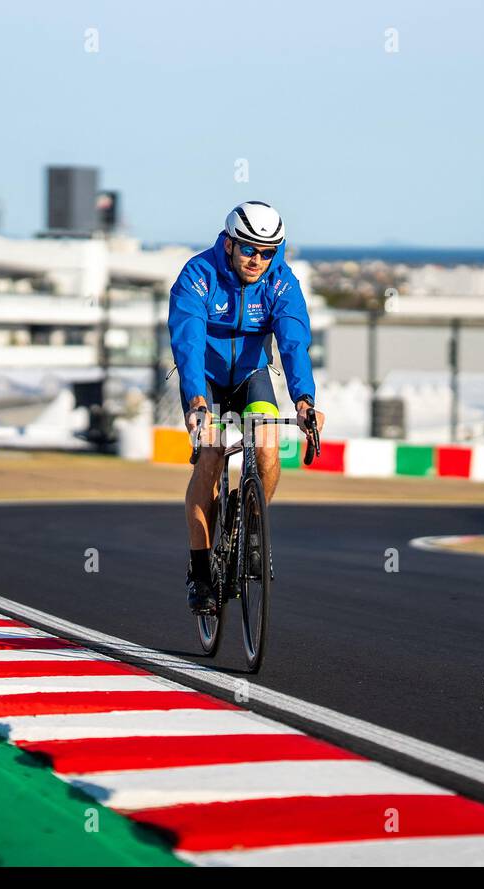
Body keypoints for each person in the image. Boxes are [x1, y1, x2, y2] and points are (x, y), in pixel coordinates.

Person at [167, 200, 325, 615]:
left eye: (268, 252)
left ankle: (252, 526)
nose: (258, 260)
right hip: (206, 380)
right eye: (250, 249)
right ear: (231, 243)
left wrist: (305, 400)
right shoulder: (197, 276)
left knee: (269, 445)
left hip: (251, 375)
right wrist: (196, 401)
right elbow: (188, 343)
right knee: (213, 454)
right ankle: (200, 572)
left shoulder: (281, 282)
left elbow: (294, 344)